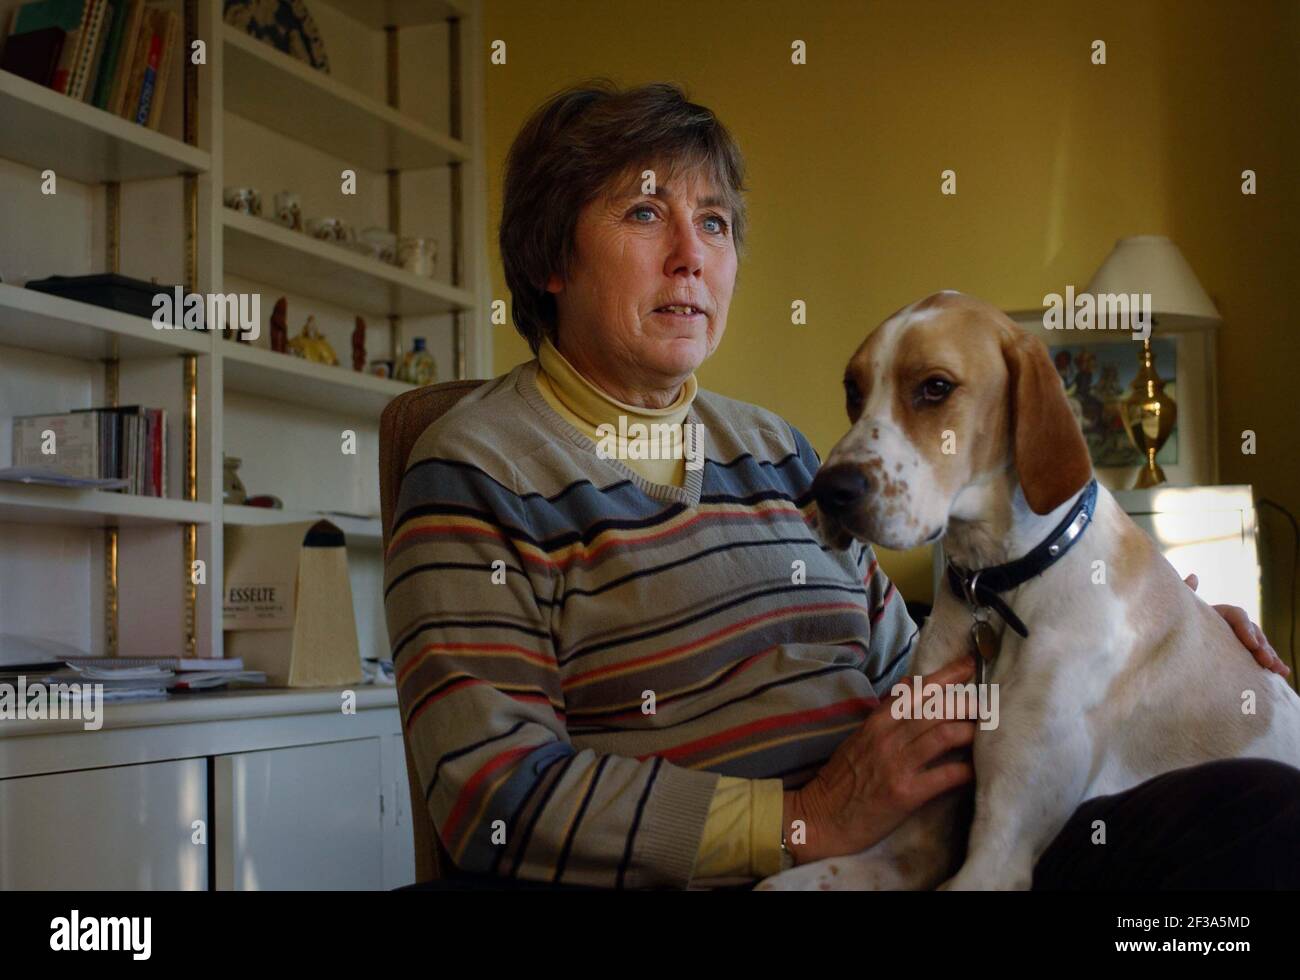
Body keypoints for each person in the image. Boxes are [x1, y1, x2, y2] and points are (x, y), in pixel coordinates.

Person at [383, 81, 1294, 891]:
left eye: (715, 223)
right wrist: (802, 820)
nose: (692, 255)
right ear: (550, 256)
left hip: (914, 840)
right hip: (769, 857)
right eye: (645, 215)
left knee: (1261, 809)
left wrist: (1159, 649)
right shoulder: (477, 466)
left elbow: (930, 678)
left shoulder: (780, 452)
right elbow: (490, 791)